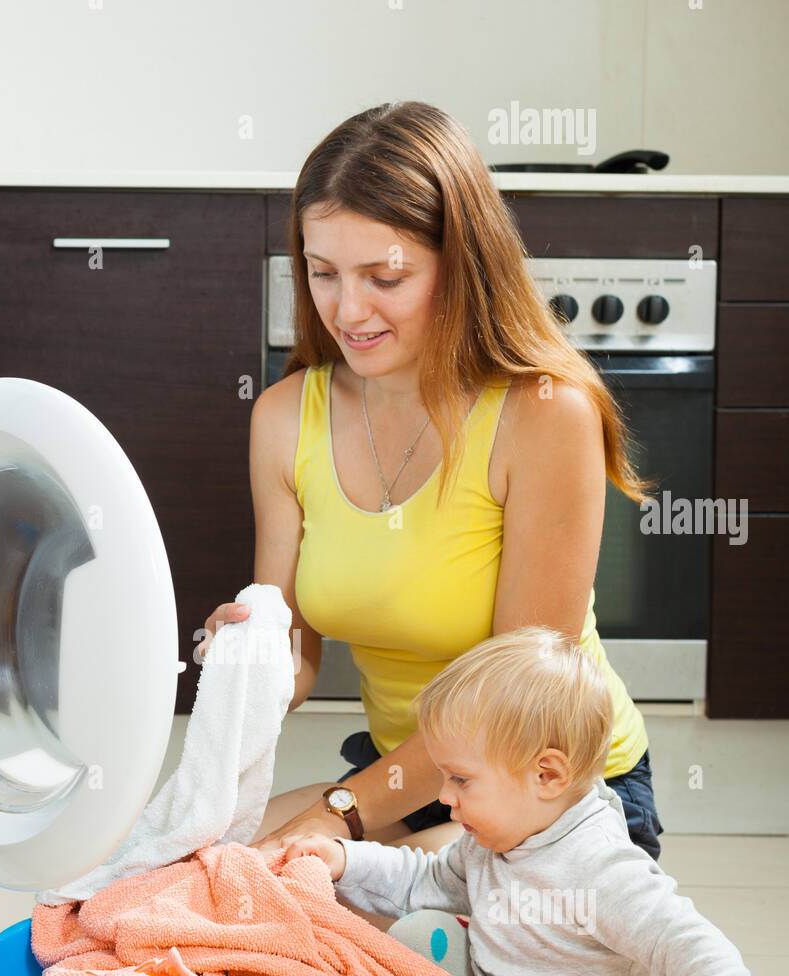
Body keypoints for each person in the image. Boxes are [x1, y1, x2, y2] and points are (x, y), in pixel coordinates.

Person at [196, 101, 664, 934]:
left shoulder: (544, 415)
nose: (347, 311)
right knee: (213, 888)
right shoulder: (282, 418)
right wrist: (249, 655)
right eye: (321, 271)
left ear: (461, 264)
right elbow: (295, 651)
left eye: (385, 276)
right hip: (401, 777)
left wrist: (337, 816)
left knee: (385, 936)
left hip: (543, 790)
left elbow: (515, 699)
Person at [276, 627, 788, 976]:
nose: (444, 797)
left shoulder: (603, 870)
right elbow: (424, 879)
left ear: (546, 775)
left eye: (461, 779)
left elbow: (702, 953)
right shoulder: (494, 837)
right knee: (422, 933)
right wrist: (343, 860)